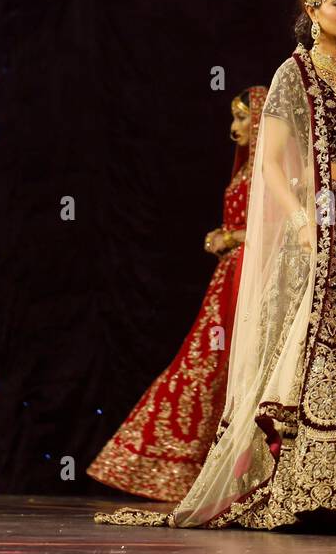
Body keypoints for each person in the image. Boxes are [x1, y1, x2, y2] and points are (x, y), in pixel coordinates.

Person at [96, 0, 336, 532]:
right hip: (331, 219)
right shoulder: (296, 74)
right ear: (312, 9)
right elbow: (271, 161)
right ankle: (324, 490)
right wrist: (300, 218)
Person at [87, 87, 264, 501]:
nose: (234, 128)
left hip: (251, 279)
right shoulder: (244, 169)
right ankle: (184, 470)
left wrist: (231, 236)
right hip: (229, 279)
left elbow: (283, 225)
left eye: (242, 118)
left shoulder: (270, 169)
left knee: (229, 367)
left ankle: (232, 475)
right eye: (234, 119)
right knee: (204, 366)